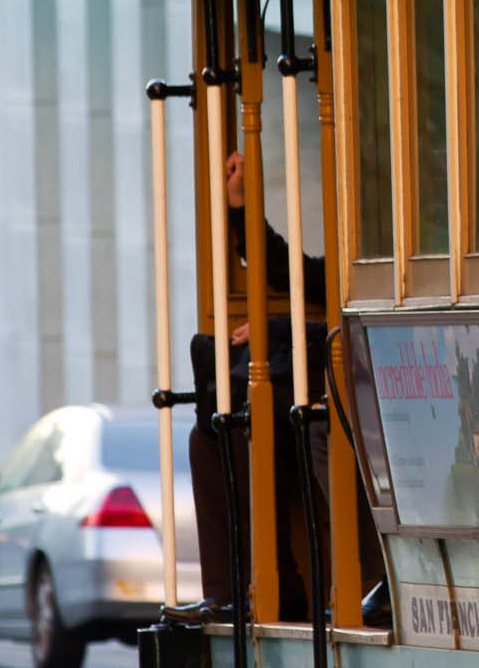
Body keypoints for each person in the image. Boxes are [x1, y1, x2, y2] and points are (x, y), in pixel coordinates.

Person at [166, 152, 388, 628]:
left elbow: (354, 328)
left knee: (314, 428)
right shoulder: (356, 256)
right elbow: (294, 275)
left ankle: (374, 577)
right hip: (323, 371)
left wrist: (278, 329)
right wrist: (241, 208)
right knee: (214, 430)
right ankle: (241, 591)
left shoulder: (393, 257)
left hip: (361, 379)